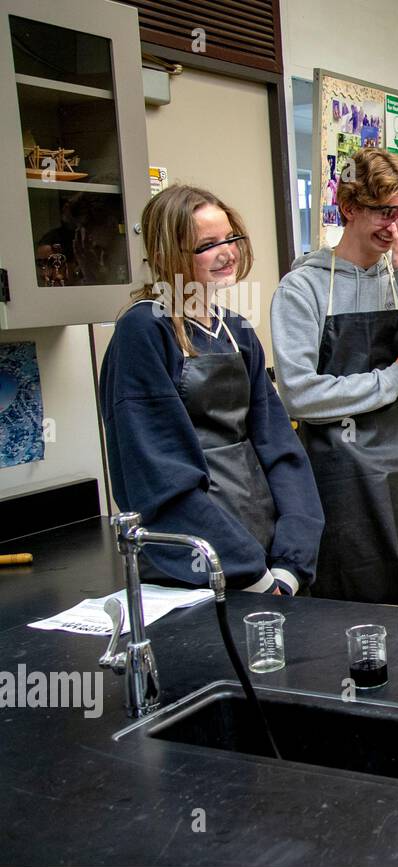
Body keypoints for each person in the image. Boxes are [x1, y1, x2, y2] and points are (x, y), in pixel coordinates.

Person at [100, 185, 323, 594]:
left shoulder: (237, 330)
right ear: (170, 253)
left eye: (230, 238)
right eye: (207, 245)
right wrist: (249, 573)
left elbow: (280, 449)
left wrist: (292, 561)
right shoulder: (144, 330)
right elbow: (159, 475)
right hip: (199, 565)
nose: (227, 253)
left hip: (270, 556)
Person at [271, 147, 398, 609]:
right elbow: (299, 394)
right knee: (355, 601)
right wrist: (394, 378)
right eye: (383, 211)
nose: (395, 226)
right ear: (349, 208)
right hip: (339, 474)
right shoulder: (302, 289)